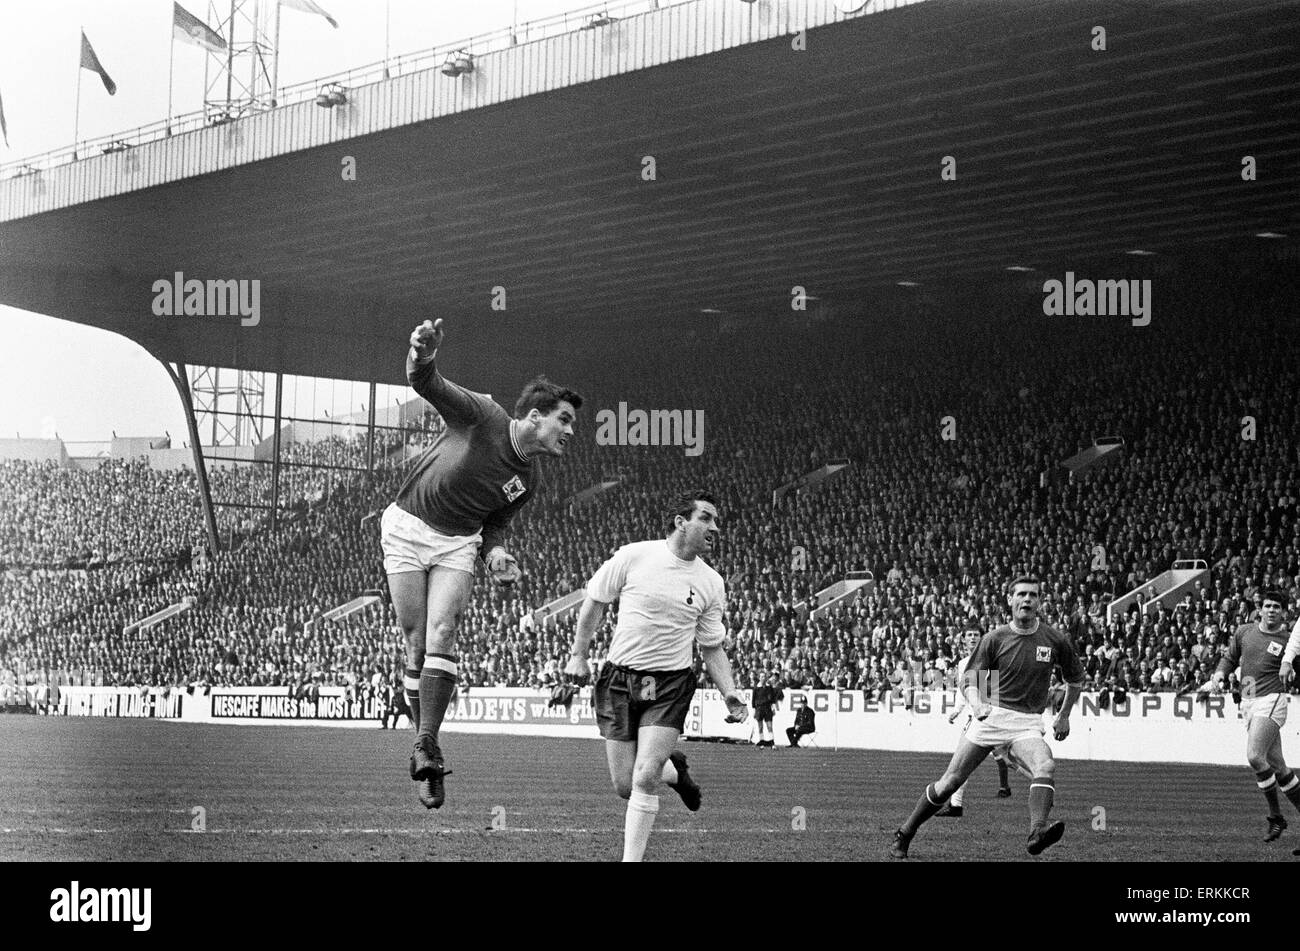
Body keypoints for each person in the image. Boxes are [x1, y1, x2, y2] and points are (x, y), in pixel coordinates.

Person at [384, 317, 583, 809]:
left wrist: (495, 552)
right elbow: (426, 382)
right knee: (414, 646)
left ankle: (427, 747)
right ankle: (423, 742)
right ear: (535, 416)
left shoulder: (529, 481)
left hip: (458, 543)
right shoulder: (485, 415)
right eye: (565, 419)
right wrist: (421, 352)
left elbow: (495, 523)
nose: (570, 431)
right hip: (407, 528)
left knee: (442, 633)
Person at [565, 490, 748, 862]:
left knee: (645, 776)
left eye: (716, 521)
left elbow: (711, 646)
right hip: (619, 680)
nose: (715, 527)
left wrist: (729, 690)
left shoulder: (712, 583)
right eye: (706, 518)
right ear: (681, 522)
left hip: (669, 684)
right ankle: (676, 770)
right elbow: (595, 601)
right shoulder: (634, 556)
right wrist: (578, 655)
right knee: (624, 785)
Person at [890, 576, 1084, 859]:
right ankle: (905, 833)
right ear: (1010, 599)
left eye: (1033, 594)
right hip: (991, 718)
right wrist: (977, 703)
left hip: (1027, 723)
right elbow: (969, 680)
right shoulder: (995, 638)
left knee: (1045, 765)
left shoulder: (1055, 640)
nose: (1027, 599)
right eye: (1021, 594)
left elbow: (1075, 679)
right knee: (950, 783)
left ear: (1040, 601)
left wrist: (1064, 716)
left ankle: (1037, 832)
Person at [1210, 590, 1300, 842]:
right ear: (1260, 609)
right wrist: (1218, 674)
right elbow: (1230, 658)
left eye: (1277, 607)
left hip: (1271, 700)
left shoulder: (1289, 640)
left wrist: (1293, 671)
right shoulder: (1244, 632)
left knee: (1254, 757)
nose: (1272, 610)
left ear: (1284, 612)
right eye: (1268, 605)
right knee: (1280, 769)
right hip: (1248, 702)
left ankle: (1276, 817)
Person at [935, 629, 1015, 818]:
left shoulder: (992, 660)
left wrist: (987, 710)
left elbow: (994, 689)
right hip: (975, 717)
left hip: (991, 716)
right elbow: (964, 689)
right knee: (965, 761)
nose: (972, 638)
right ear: (963, 639)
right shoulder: (963, 663)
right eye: (969, 635)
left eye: (976, 635)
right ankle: (956, 805)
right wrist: (957, 709)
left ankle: (1042, 785)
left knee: (1012, 757)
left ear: (982, 638)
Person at [752, 674, 783, 748]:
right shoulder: (756, 688)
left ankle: (772, 743)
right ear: (759, 678)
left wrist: (773, 708)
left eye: (764, 677)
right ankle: (762, 742)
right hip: (759, 708)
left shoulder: (769, 687)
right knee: (760, 727)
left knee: (769, 726)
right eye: (762, 677)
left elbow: (772, 699)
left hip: (767, 708)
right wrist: (754, 710)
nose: (763, 678)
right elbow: (753, 700)